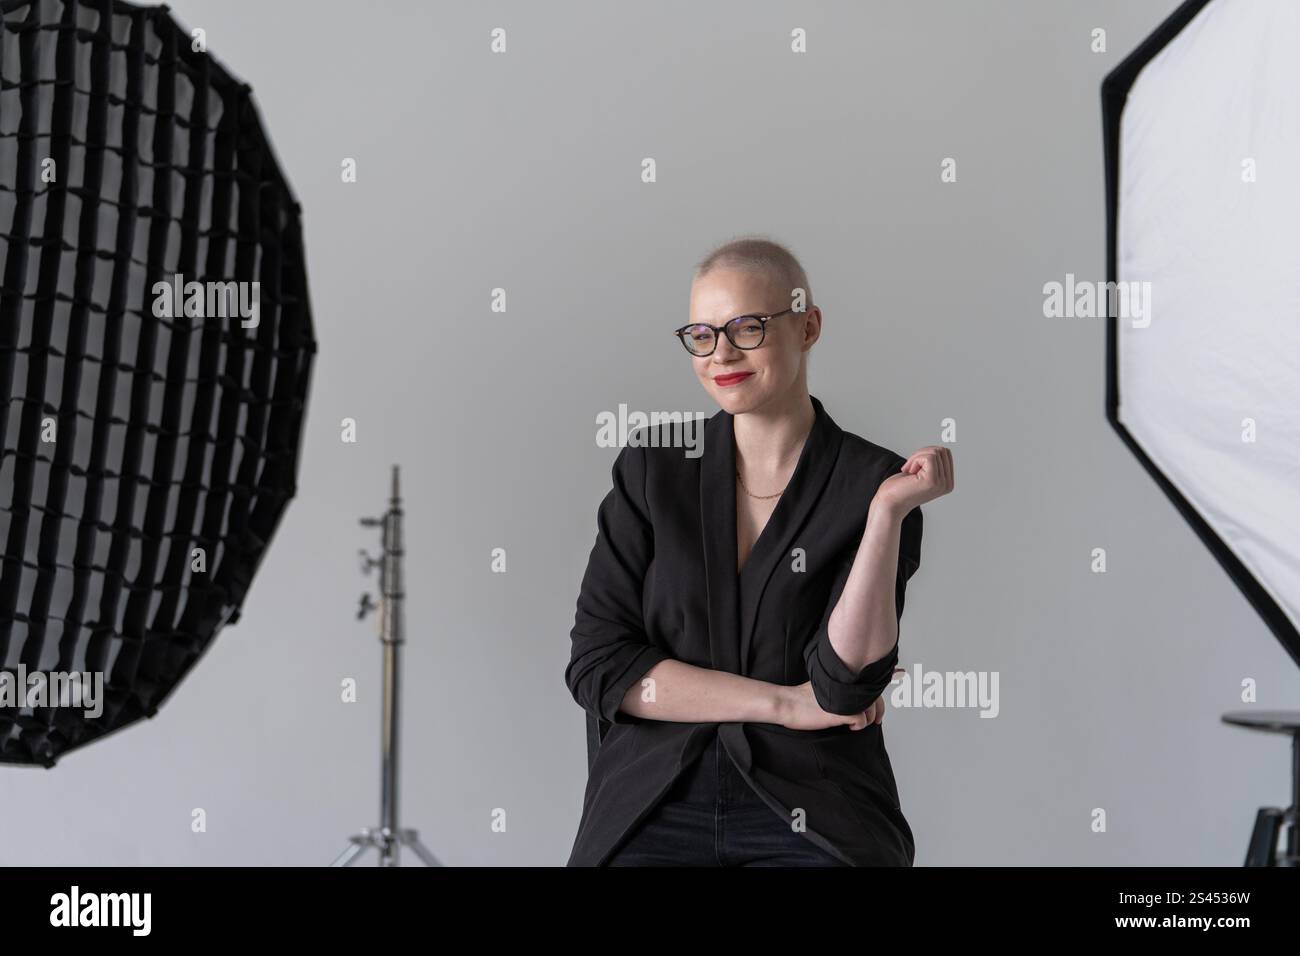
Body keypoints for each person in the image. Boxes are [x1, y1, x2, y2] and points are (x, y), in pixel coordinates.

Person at [564, 237, 955, 866]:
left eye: (747, 328)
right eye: (702, 334)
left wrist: (885, 515)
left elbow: (845, 687)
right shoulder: (652, 470)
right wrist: (783, 703)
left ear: (809, 326)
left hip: (814, 805)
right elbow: (601, 668)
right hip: (654, 800)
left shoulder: (875, 483)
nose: (721, 354)